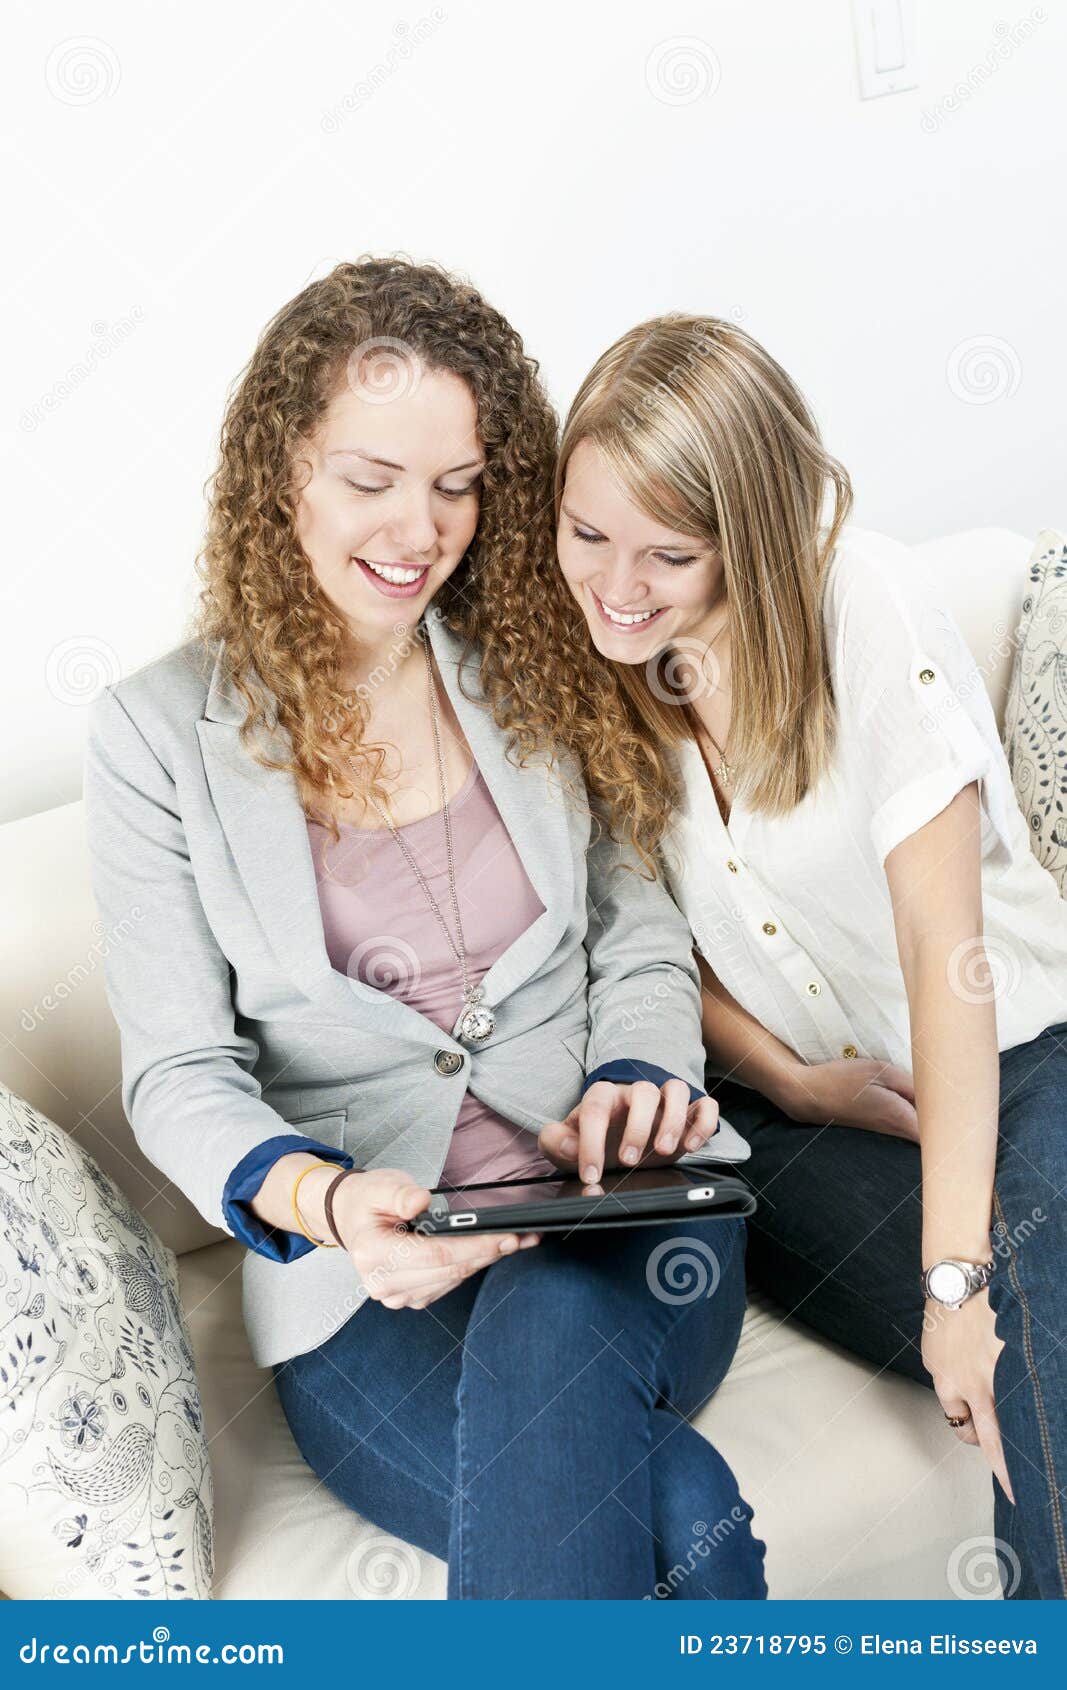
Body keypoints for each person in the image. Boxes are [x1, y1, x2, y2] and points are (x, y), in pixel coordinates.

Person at [83, 264, 767, 1600]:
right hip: (365, 1284)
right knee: (683, 1509)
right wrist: (331, 1202)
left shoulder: (531, 654)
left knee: (552, 1305)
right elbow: (179, 1073)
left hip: (622, 1223)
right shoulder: (158, 736)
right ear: (283, 472)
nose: (422, 529)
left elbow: (632, 924)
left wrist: (638, 1074)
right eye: (374, 479)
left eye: (458, 484)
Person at [532, 311, 1067, 1600]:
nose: (615, 584)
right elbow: (643, 941)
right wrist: (791, 1077)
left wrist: (956, 1290)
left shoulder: (865, 605)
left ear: (752, 534)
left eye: (670, 553)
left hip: (1017, 1056)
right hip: (799, 1120)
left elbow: (945, 956)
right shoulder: (589, 663)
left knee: (1029, 1338)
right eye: (586, 533)